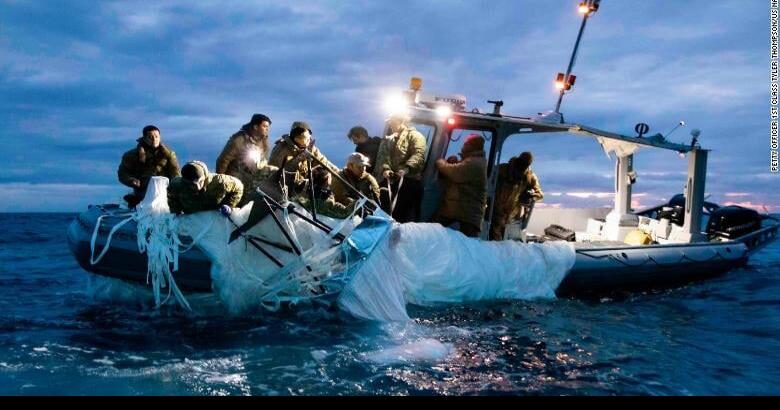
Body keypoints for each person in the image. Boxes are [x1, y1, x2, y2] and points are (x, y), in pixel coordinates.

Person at [373, 112, 427, 222]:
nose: (390, 125)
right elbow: (383, 156)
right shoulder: (388, 139)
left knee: (403, 215)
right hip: (390, 181)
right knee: (383, 211)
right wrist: (385, 169)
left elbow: (419, 154)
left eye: (392, 122)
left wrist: (407, 168)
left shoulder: (416, 136)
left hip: (408, 181)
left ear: (401, 122)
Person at [216, 113, 276, 205]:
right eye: (264, 126)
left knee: (274, 171)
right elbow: (223, 160)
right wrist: (221, 182)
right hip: (236, 175)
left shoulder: (264, 141)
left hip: (253, 175)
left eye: (268, 127)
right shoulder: (239, 140)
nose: (267, 129)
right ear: (255, 127)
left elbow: (263, 160)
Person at [434, 134, 488, 238]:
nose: (463, 146)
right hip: (462, 212)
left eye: (466, 144)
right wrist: (454, 162)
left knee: (465, 246)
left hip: (466, 215)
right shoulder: (472, 161)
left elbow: (455, 173)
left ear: (472, 146)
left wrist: (440, 162)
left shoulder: (475, 163)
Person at [268, 121, 338, 197]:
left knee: (324, 174)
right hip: (285, 188)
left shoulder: (311, 148)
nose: (310, 140)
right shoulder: (281, 149)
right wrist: (300, 157)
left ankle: (321, 200)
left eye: (310, 137)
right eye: (307, 138)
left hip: (303, 185)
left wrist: (339, 173)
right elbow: (274, 174)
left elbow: (325, 162)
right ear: (297, 138)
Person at [118, 125, 180, 208]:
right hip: (143, 189)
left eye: (156, 136)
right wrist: (131, 180)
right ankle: (135, 201)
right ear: (144, 138)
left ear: (160, 137)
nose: (154, 139)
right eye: (150, 137)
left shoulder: (169, 154)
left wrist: (176, 187)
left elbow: (175, 173)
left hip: (164, 190)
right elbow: (123, 173)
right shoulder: (132, 155)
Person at [489, 151, 544, 240]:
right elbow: (488, 178)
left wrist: (531, 195)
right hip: (496, 209)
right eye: (521, 163)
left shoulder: (529, 177)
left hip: (512, 214)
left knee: (507, 239)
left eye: (525, 164)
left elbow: (540, 194)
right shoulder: (503, 169)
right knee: (495, 236)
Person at [167, 161, 244, 215]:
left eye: (200, 182)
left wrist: (229, 205)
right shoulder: (177, 185)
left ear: (204, 177)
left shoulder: (220, 182)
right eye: (192, 184)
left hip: (216, 218)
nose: (197, 187)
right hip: (193, 220)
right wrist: (176, 211)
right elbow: (171, 196)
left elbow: (239, 187)